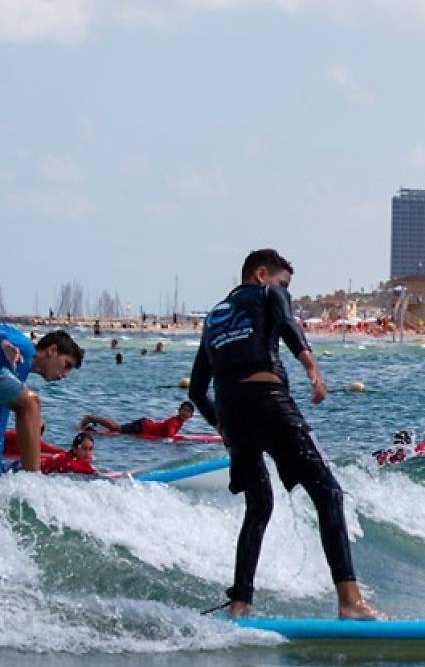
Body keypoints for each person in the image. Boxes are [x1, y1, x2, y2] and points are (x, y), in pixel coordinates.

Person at [188, 248, 380, 620]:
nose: (285, 291)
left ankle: (240, 604)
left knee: (258, 506)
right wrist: (312, 369)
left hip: (233, 413)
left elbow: (197, 391)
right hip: (268, 400)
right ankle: (350, 602)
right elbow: (288, 324)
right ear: (262, 274)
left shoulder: (213, 317)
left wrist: (223, 428)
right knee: (328, 493)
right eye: (284, 284)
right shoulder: (267, 292)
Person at [0, 327, 84, 471]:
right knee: (31, 403)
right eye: (67, 365)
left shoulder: (20, 374)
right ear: (52, 350)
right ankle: (33, 479)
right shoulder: (24, 347)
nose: (65, 375)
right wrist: (4, 343)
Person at [80, 401, 195, 439]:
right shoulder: (174, 422)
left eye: (188, 411)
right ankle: (90, 418)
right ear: (179, 410)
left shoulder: (179, 421)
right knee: (116, 428)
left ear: (191, 415)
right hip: (143, 427)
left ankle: (92, 430)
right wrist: (180, 441)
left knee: (116, 430)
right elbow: (169, 437)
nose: (185, 413)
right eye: (184, 410)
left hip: (145, 425)